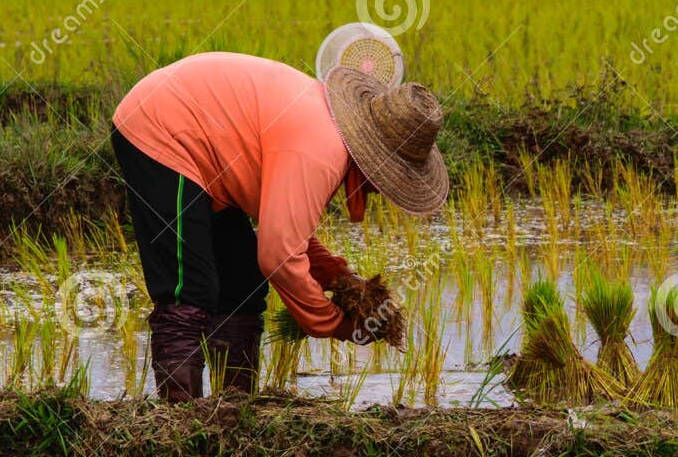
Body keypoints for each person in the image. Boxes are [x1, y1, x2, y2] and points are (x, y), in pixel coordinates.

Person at [111, 51, 448, 400]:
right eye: (391, 178)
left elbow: (286, 230)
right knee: (188, 291)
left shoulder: (325, 134)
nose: (382, 190)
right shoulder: (320, 153)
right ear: (379, 162)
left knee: (241, 284)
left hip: (206, 153)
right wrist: (336, 323)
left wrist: (339, 278)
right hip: (162, 128)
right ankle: (183, 430)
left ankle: (234, 412)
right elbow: (280, 256)